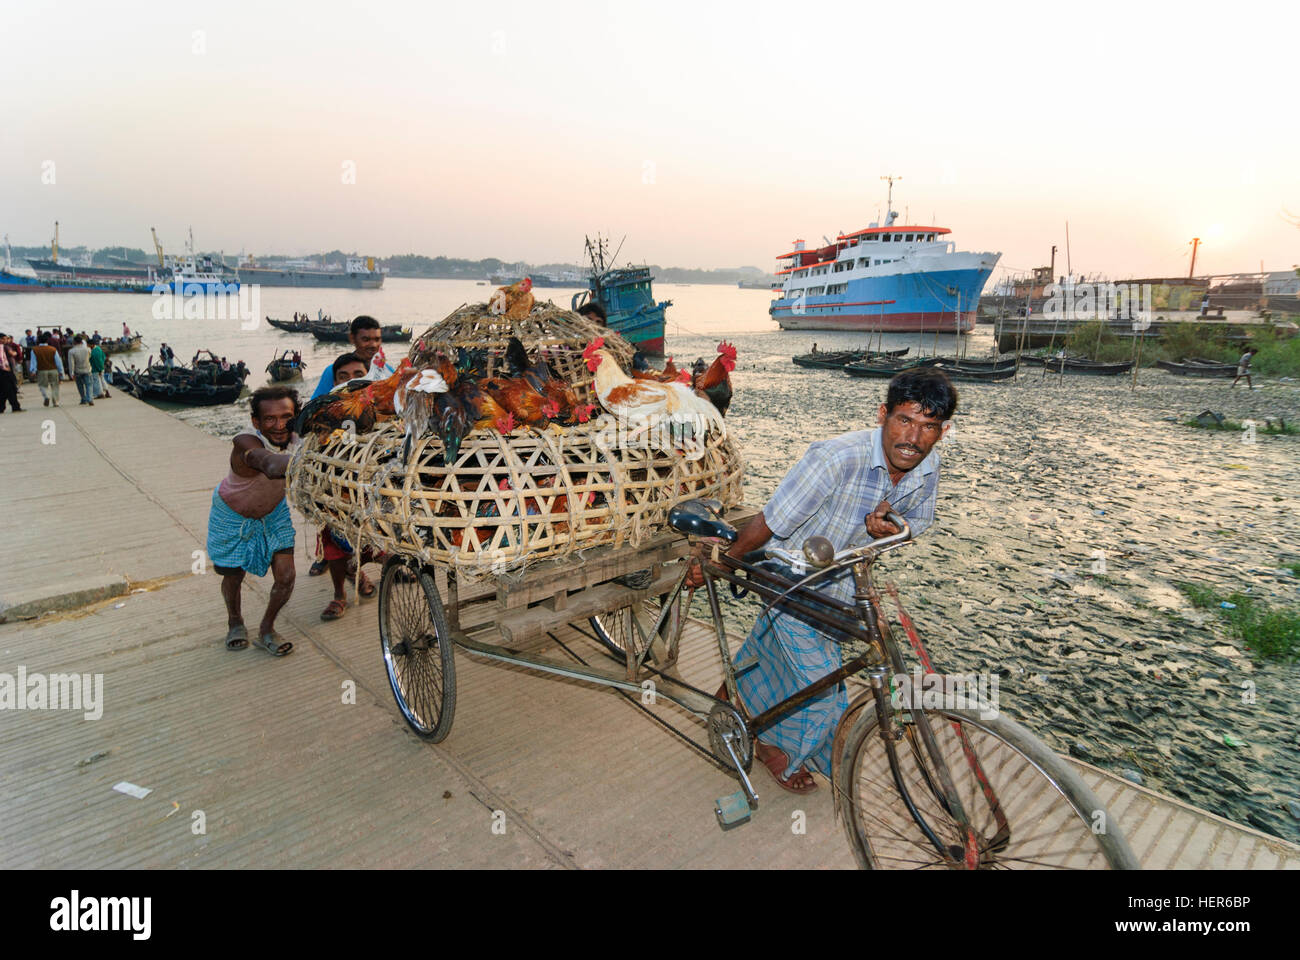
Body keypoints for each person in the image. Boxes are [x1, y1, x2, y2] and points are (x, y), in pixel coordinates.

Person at [686, 367, 957, 793]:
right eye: (904, 420)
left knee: (779, 650)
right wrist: (722, 563)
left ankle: (730, 699)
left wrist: (887, 522)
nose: (914, 438)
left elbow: (918, 522)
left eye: (928, 427)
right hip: (790, 576)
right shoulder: (835, 458)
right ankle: (780, 749)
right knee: (825, 688)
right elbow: (771, 521)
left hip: (845, 580)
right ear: (883, 414)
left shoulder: (927, 466)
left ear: (941, 432)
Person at [206, 385, 301, 656]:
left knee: (286, 577)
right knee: (233, 575)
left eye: (286, 416)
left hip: (273, 512)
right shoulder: (245, 442)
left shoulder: (300, 439)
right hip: (231, 514)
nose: (279, 425)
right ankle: (235, 621)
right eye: (270, 419)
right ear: (256, 422)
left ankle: (266, 629)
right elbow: (270, 465)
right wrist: (316, 458)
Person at [316, 353, 384, 619]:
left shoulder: (385, 410)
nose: (350, 381)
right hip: (336, 490)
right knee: (335, 546)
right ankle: (339, 595)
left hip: (370, 491)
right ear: (334, 381)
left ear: (369, 377)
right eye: (343, 377)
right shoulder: (328, 412)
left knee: (377, 541)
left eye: (358, 375)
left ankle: (364, 574)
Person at [29, 332, 65, 406]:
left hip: (41, 370)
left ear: (38, 341)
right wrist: (61, 371)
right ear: (47, 341)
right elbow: (58, 362)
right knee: (55, 385)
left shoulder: (34, 350)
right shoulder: (53, 349)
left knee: (42, 385)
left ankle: (46, 396)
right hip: (53, 370)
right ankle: (56, 402)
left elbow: (33, 362)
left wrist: (33, 371)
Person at [68, 336, 95, 405]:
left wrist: (71, 373)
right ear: (82, 341)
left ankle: (83, 399)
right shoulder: (88, 349)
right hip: (87, 369)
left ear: (74, 342)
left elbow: (71, 364)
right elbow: (90, 357)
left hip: (77, 371)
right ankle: (90, 399)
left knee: (80, 386)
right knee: (89, 385)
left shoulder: (71, 351)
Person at [0, 333, 23, 413]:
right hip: (5, 371)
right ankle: (15, 407)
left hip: (5, 371)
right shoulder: (3, 347)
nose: (6, 340)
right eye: (5, 338)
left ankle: (2, 407)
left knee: (3, 390)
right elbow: (2, 359)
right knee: (10, 389)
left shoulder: (4, 346)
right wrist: (5, 367)